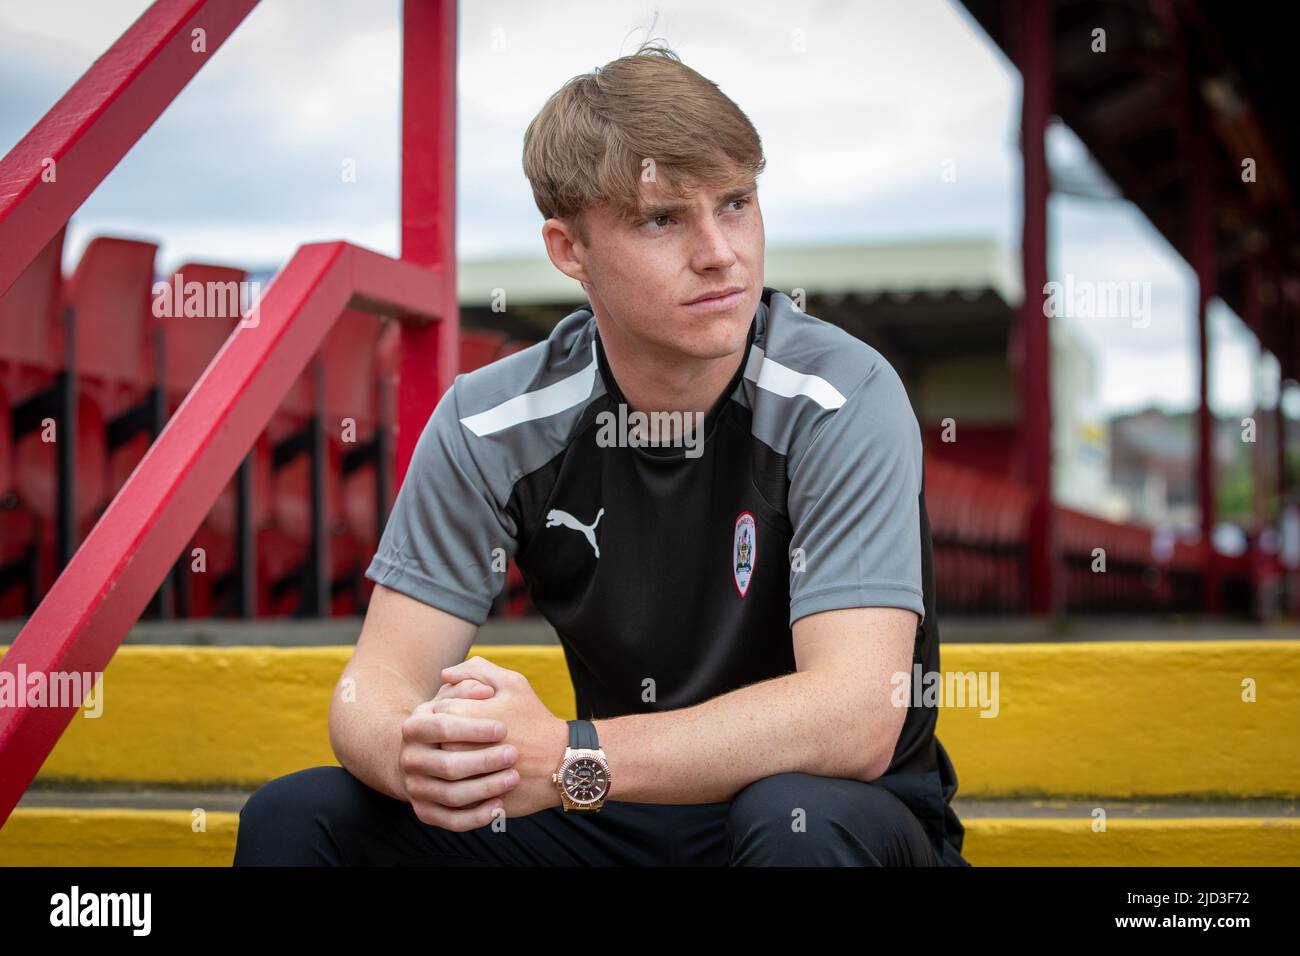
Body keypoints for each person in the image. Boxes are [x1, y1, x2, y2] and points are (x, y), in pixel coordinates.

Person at [233, 41, 968, 867]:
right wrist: (428, 756)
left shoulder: (843, 394)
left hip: (838, 816)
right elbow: (371, 691)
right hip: (619, 813)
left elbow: (854, 718)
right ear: (568, 249)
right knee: (304, 817)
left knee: (793, 817)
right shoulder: (493, 421)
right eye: (662, 218)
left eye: (735, 203)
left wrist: (573, 757)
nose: (719, 251)